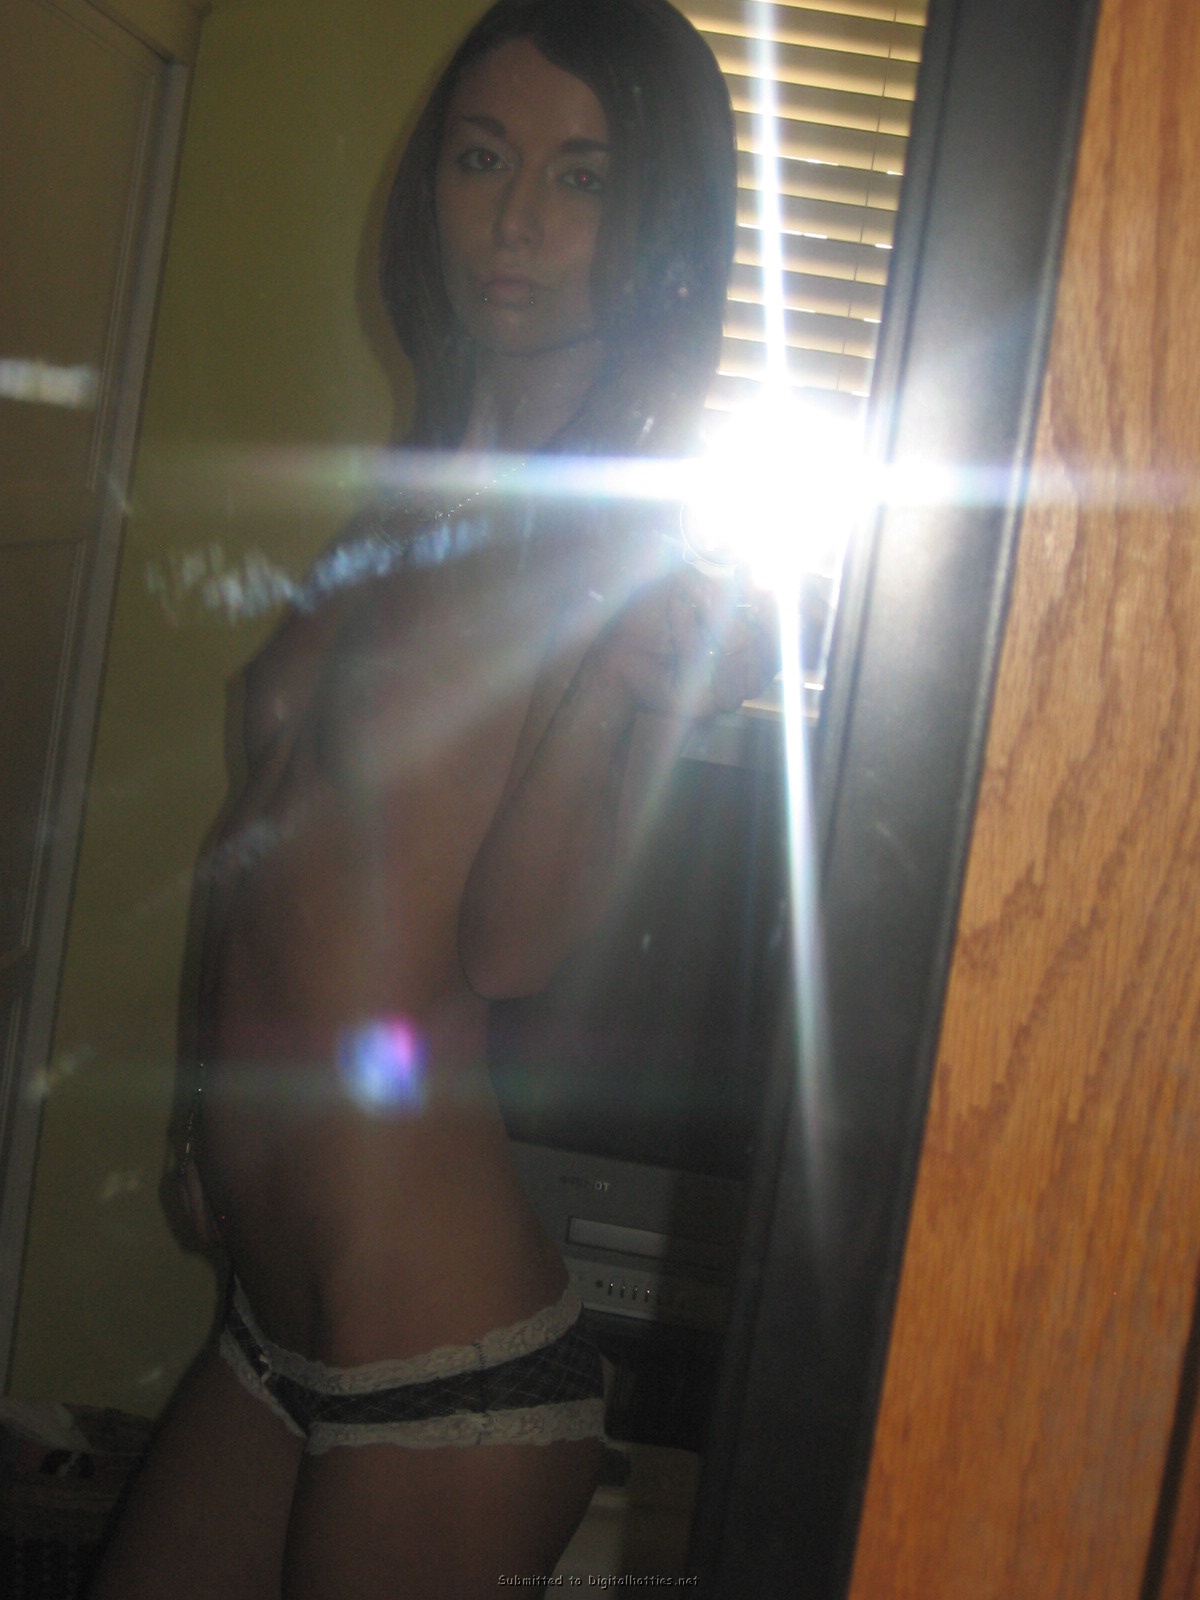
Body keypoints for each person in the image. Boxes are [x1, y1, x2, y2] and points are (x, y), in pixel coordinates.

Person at [91, 2, 770, 1594]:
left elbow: (514, 947)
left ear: (662, 233)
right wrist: (209, 1105)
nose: (515, 218)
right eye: (482, 158)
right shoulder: (416, 492)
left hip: (441, 1379)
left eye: (582, 177)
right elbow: (270, 839)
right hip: (281, 1331)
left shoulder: (616, 547)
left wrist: (623, 688)